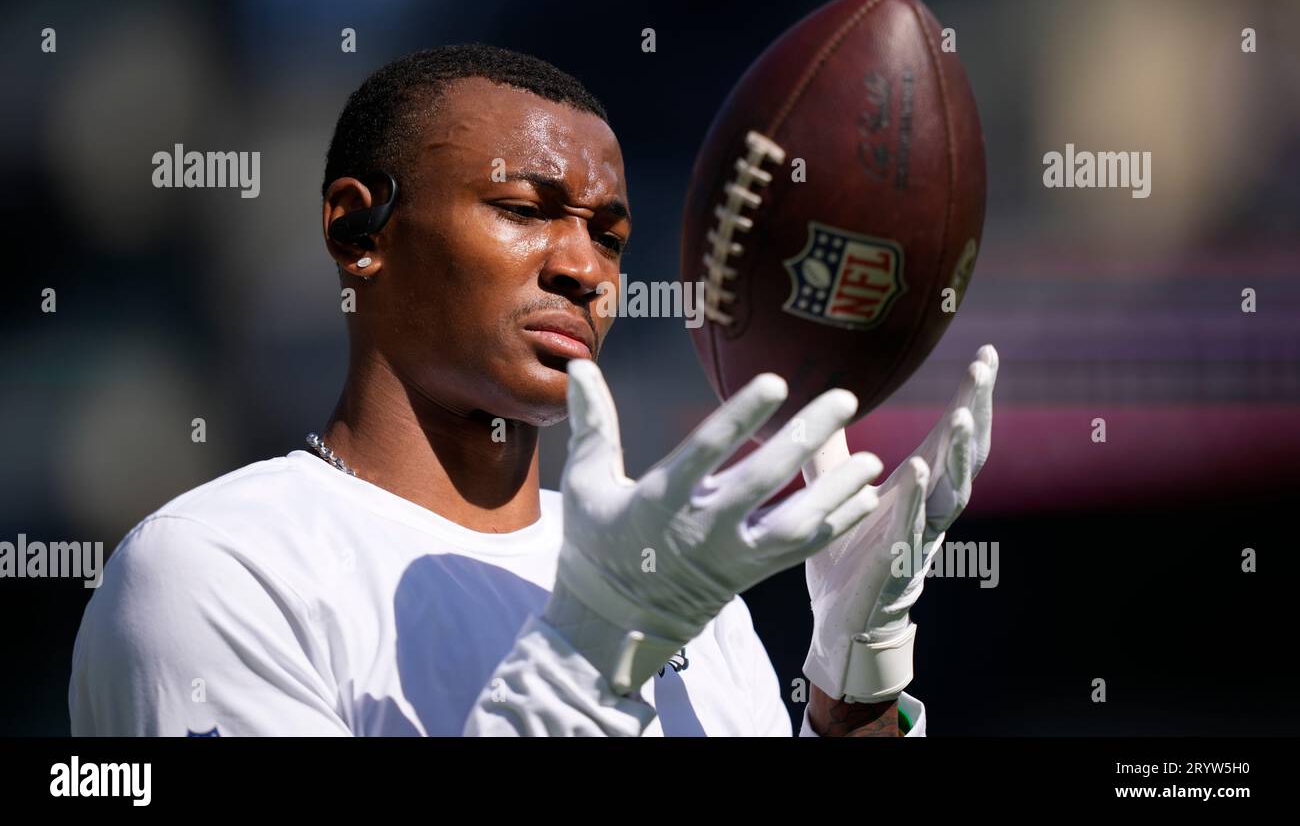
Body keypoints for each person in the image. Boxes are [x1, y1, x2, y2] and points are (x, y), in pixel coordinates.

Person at [68, 43, 997, 737]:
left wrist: (854, 689)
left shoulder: (688, 598)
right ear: (360, 232)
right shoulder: (217, 570)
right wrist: (587, 659)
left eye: (611, 237)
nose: (582, 268)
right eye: (523, 211)